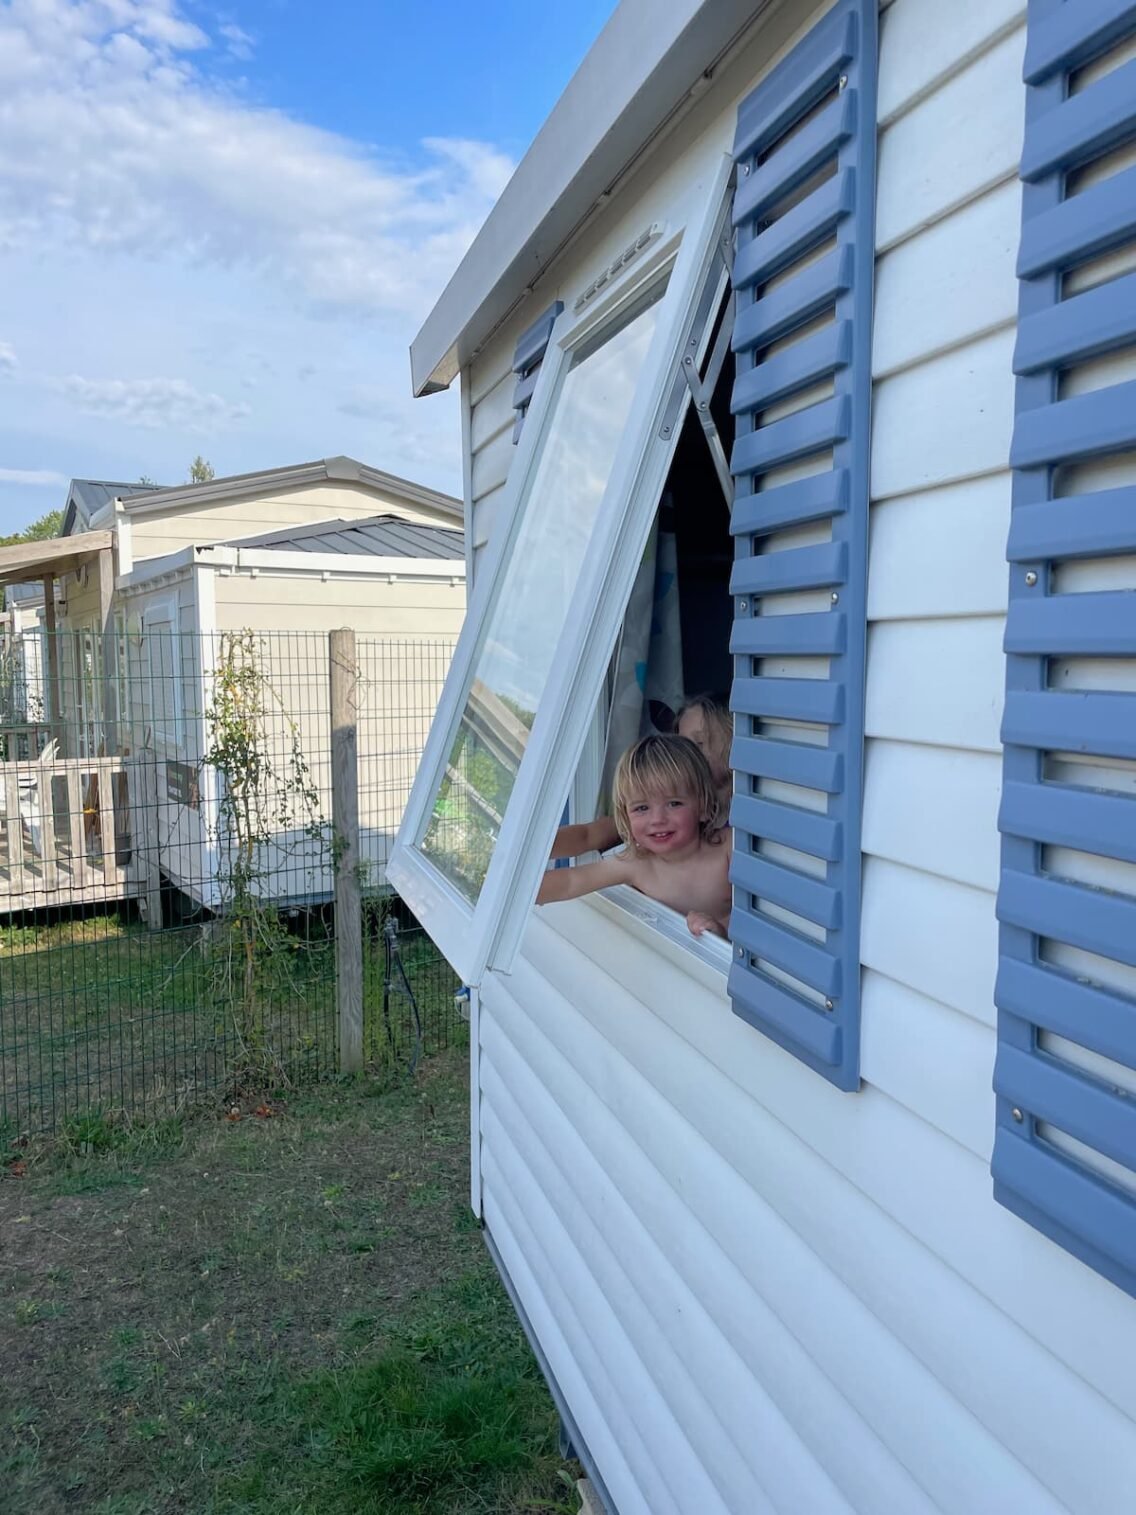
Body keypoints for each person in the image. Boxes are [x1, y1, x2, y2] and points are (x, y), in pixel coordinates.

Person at [537, 733, 731, 938]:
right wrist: (508, 882)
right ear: (626, 816)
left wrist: (721, 932)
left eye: (674, 803)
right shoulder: (638, 864)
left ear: (704, 807)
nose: (657, 819)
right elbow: (570, 882)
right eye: (641, 808)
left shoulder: (729, 849)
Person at [550, 692, 733, 860]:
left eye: (699, 743)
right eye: (682, 743)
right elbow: (588, 836)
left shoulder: (746, 820)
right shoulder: (659, 808)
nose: (686, 753)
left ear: (735, 742)